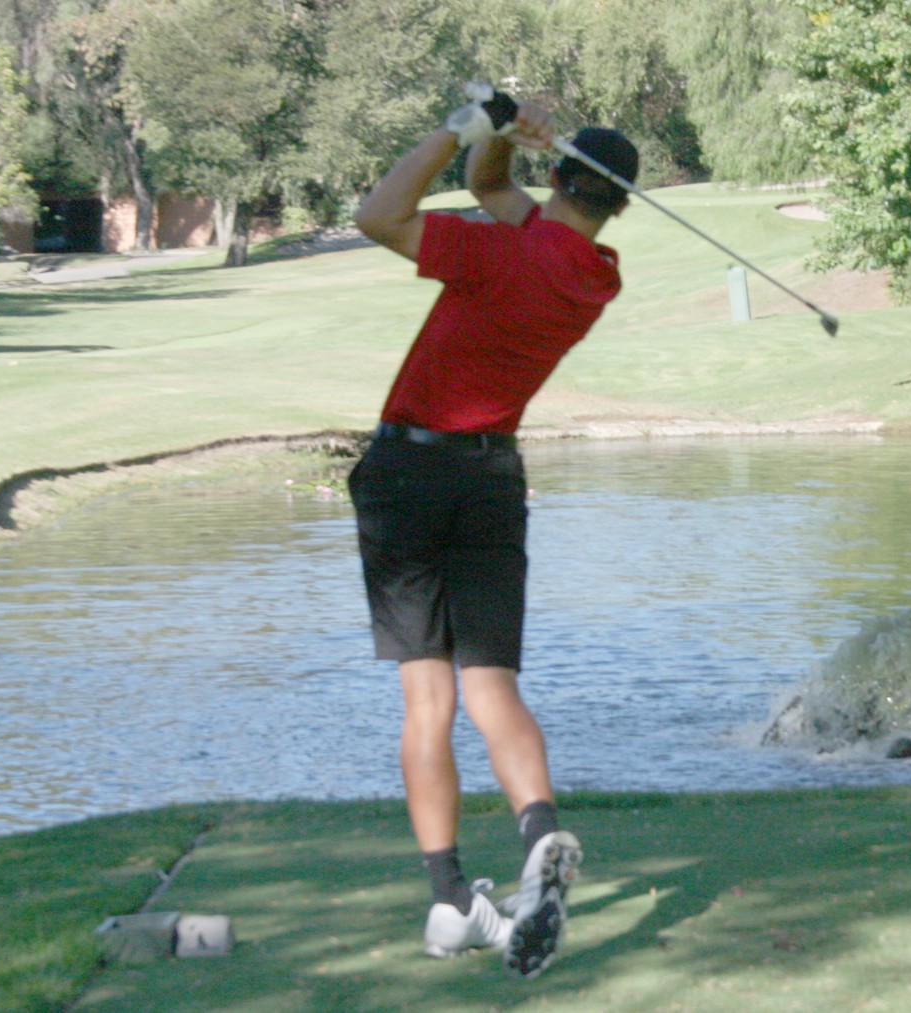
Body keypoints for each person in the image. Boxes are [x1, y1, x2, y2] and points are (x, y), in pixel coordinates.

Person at [348, 84, 639, 979]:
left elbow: (377, 215)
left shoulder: (491, 256)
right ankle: (540, 835)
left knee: (425, 700)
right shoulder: (593, 272)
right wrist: (503, 142)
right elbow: (492, 190)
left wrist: (466, 124)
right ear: (616, 203)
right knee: (492, 686)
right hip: (490, 478)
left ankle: (445, 896)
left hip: (409, 473)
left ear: (562, 178)